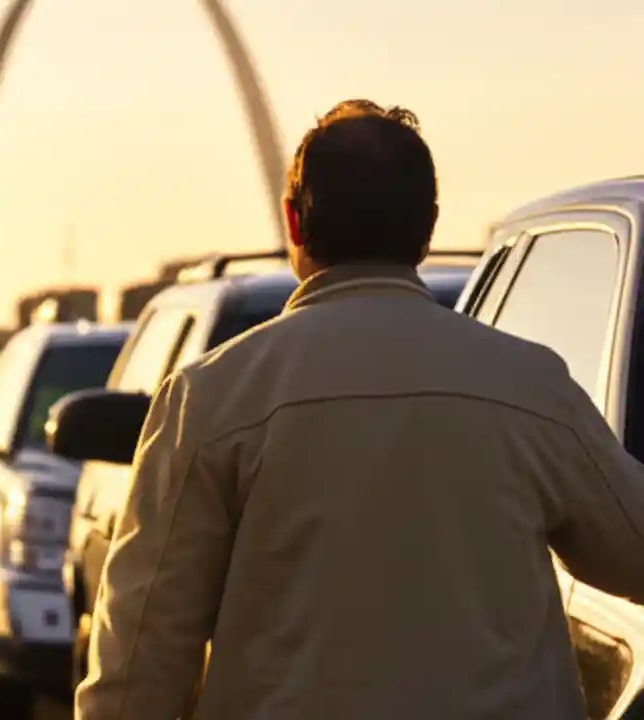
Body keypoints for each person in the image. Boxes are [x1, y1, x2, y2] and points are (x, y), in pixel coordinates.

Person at [75, 99, 644, 719]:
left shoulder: (209, 400)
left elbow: (140, 665)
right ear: (427, 228)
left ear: (294, 221)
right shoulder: (531, 386)